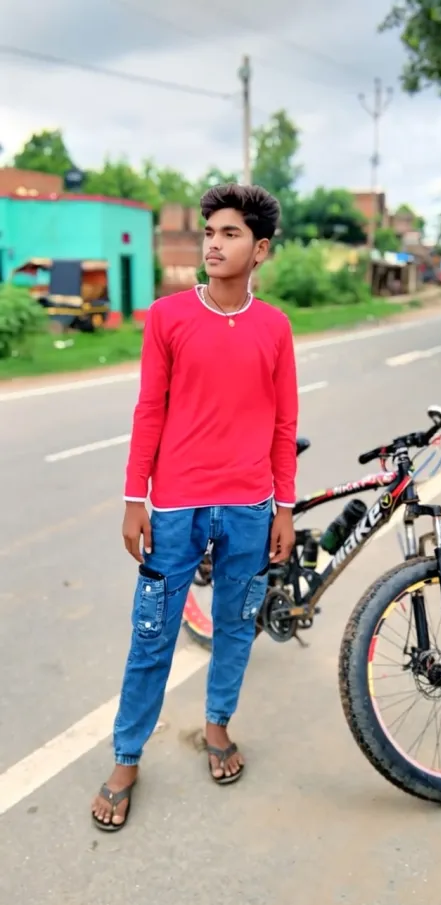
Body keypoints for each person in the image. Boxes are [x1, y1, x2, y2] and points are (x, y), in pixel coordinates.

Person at [91, 183, 299, 831]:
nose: (213, 243)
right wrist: (134, 499)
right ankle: (127, 757)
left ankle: (216, 728)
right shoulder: (168, 317)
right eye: (209, 231)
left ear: (259, 248)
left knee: (236, 628)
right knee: (150, 635)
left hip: (249, 508)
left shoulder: (276, 327)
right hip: (176, 508)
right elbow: (149, 409)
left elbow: (284, 422)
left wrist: (283, 509)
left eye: (230, 233)